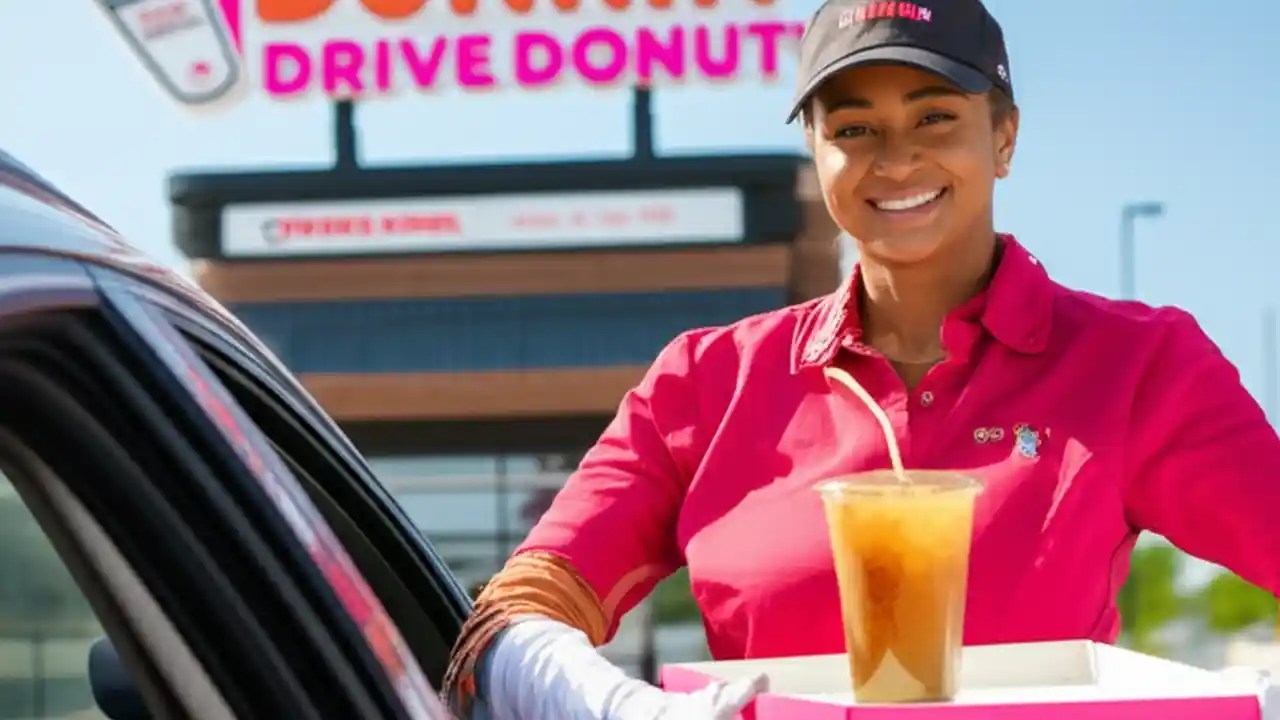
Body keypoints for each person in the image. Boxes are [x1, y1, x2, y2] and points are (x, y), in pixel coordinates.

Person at [443, 0, 1280, 716]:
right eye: (853, 128)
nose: (896, 157)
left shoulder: (1137, 364)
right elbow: (518, 611)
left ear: (1005, 138)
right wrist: (623, 706)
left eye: (935, 116)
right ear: (817, 150)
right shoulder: (705, 383)